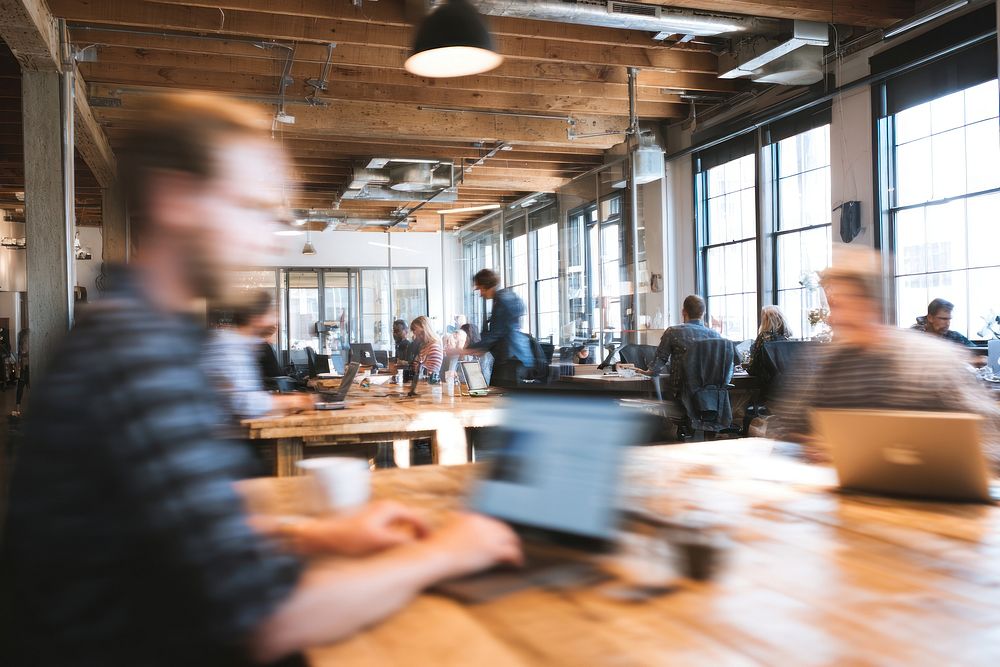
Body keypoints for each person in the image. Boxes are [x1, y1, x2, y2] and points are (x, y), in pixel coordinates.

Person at [0, 93, 521, 667]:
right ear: (177, 198)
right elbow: (269, 615)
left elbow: (191, 532)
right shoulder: (135, 356)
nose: (265, 236)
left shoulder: (145, 334)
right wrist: (447, 551)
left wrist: (320, 537)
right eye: (249, 207)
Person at [770, 247, 1000, 465]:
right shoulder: (826, 363)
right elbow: (787, 433)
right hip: (851, 489)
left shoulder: (929, 362)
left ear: (870, 306)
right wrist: (812, 444)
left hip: (935, 495)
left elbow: (989, 444)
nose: (831, 318)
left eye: (839, 305)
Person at [203, 290, 313, 424]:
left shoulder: (244, 346)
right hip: (221, 436)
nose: (276, 319)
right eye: (271, 313)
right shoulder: (230, 346)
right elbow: (243, 403)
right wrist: (293, 401)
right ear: (257, 318)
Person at [465, 269, 534, 388]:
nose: (480, 293)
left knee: (499, 398)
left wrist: (467, 349)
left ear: (487, 285)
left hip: (509, 358)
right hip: (514, 356)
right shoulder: (506, 297)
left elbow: (495, 333)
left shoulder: (502, 301)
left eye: (480, 288)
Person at [642, 295, 721, 397]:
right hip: (711, 398)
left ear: (683, 311)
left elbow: (657, 366)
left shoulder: (673, 332)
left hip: (681, 396)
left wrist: (646, 372)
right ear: (703, 313)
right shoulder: (715, 335)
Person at [745, 305, 793, 377]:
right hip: (786, 380)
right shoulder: (787, 338)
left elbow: (754, 365)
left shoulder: (763, 337)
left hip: (767, 381)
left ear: (766, 320)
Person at [11, 328, 27, 417]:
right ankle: (17, 409)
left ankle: (18, 409)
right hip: (24, 367)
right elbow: (21, 353)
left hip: (27, 366)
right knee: (20, 388)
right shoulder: (22, 345)